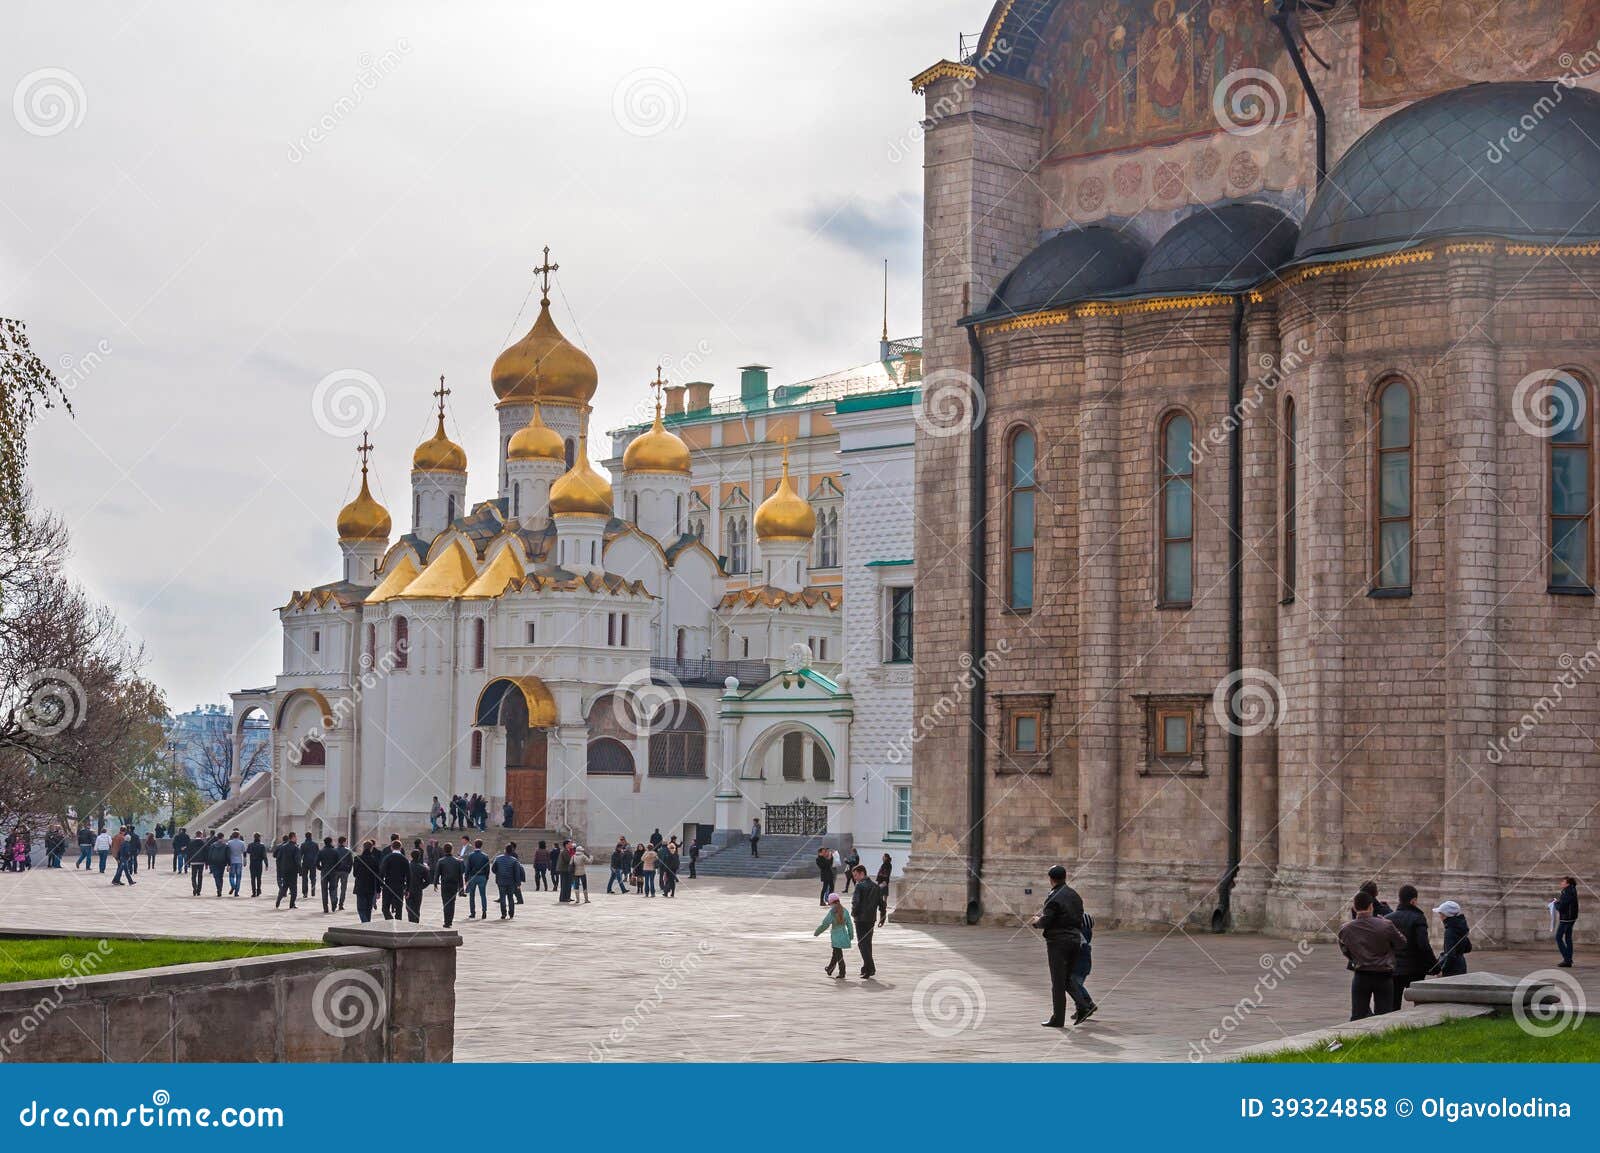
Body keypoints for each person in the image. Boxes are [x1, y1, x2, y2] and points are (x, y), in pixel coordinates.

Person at [1034, 864, 1095, 1027]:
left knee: (1058, 982)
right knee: (1068, 979)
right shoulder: (1075, 895)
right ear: (1064, 877)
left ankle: (1058, 1018)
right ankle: (1083, 1007)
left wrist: (1036, 922)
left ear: (1051, 879)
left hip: (1058, 942)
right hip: (1075, 940)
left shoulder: (1053, 896)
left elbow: (1047, 920)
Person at [1338, 890, 1408, 1020]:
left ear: (1354, 907)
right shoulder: (1386, 924)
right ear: (1371, 906)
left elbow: (1345, 950)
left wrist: (1355, 958)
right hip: (1383, 974)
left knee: (1358, 1014)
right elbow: (1402, 943)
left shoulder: (1346, 929)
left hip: (1361, 973)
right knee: (1383, 1014)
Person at [1385, 884, 1436, 1009]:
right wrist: (1435, 966)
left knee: (1393, 1004)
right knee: (1419, 1003)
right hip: (1415, 969)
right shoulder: (1418, 918)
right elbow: (1423, 945)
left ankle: (1390, 1026)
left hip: (1394, 968)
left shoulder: (1388, 919)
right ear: (1413, 900)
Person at [850, 865, 881, 978]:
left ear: (862, 873)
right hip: (871, 919)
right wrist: (882, 915)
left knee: (862, 944)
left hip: (861, 919)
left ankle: (870, 968)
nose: (855, 878)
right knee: (867, 943)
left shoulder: (859, 886)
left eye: (856, 875)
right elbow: (881, 903)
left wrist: (853, 913)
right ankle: (867, 967)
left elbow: (856, 902)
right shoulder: (875, 886)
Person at [814, 892, 855, 979]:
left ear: (832, 902)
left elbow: (825, 924)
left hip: (836, 936)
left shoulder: (832, 912)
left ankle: (842, 972)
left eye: (830, 903)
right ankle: (830, 969)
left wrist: (817, 932)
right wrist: (851, 935)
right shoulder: (845, 910)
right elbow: (850, 925)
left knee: (839, 955)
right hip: (844, 935)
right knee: (835, 953)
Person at [1429, 900, 1472, 978]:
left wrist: (1443, 970)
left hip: (1452, 969)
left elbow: (1450, 955)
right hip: (1461, 965)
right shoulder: (1461, 927)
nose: (1440, 916)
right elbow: (1468, 948)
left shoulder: (1450, 931)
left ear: (1445, 915)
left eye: (1440, 914)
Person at [435, 842, 465, 927]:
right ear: (452, 850)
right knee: (452, 903)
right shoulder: (457, 861)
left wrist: (435, 883)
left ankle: (446, 921)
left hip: (445, 884)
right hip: (454, 884)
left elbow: (437, 873)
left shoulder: (441, 861)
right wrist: (461, 887)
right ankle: (450, 921)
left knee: (445, 903)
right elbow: (460, 876)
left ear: (444, 850)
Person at [352, 840, 381, 923]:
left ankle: (365, 923)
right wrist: (378, 890)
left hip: (360, 886)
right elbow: (377, 876)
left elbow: (355, 874)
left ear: (363, 848)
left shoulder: (357, 859)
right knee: (368, 909)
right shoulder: (375, 860)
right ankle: (367, 924)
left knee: (361, 908)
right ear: (371, 848)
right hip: (371, 887)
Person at [1554, 875, 1579, 967]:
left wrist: (1556, 904)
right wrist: (1559, 902)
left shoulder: (1567, 891)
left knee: (1558, 937)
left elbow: (1562, 907)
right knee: (1568, 938)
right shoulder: (1572, 889)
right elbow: (1566, 903)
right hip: (1571, 917)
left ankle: (1567, 959)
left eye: (1563, 882)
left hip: (1566, 918)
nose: (1561, 883)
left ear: (1567, 884)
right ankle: (1568, 959)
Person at [380, 841, 410, 920]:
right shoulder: (404, 859)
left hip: (388, 884)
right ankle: (398, 925)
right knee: (399, 909)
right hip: (400, 886)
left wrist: (381, 885)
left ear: (391, 847)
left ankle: (390, 920)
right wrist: (407, 889)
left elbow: (382, 872)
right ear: (400, 848)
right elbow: (409, 875)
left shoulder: (387, 857)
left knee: (385, 908)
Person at [492, 844, 523, 919]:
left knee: (502, 897)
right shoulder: (514, 860)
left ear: (505, 850)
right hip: (511, 882)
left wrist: (498, 873)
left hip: (501, 881)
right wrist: (518, 883)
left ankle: (503, 914)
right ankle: (511, 913)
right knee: (510, 897)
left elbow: (493, 869)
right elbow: (517, 873)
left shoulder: (498, 858)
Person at [464, 839, 491, 919]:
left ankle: (473, 912)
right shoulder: (485, 856)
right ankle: (484, 911)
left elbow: (468, 868)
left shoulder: (471, 855)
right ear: (481, 845)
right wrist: (486, 877)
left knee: (472, 895)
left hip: (473, 877)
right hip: (482, 876)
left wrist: (466, 878)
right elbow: (487, 868)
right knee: (483, 895)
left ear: (475, 845)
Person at [404, 849, 430, 923]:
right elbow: (428, 881)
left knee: (409, 907)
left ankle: (411, 922)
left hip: (408, 890)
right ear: (419, 857)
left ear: (411, 856)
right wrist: (421, 886)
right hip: (418, 890)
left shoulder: (407, 866)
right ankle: (416, 922)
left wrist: (405, 887)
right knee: (416, 908)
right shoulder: (422, 867)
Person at [1076, 911, 1095, 1004]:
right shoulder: (1086, 942)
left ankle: (1088, 1004)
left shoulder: (1081, 940)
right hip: (1084, 965)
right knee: (1077, 985)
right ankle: (1081, 1006)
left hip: (1079, 965)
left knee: (1075, 985)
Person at [317, 837, 341, 913]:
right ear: (331, 842)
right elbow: (339, 862)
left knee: (324, 890)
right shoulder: (335, 851)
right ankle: (334, 902)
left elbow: (316, 862)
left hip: (324, 872)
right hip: (333, 872)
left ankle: (325, 907)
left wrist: (321, 868)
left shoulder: (321, 851)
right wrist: (336, 869)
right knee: (333, 888)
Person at [331, 836, 353, 910]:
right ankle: (341, 904)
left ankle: (334, 901)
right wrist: (348, 870)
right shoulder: (348, 851)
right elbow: (351, 862)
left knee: (334, 887)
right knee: (343, 889)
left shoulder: (334, 850)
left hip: (335, 871)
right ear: (344, 842)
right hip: (344, 871)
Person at [246, 833, 268, 897]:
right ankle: (258, 890)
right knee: (259, 878)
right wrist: (266, 864)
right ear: (259, 838)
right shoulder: (262, 845)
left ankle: (253, 892)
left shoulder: (250, 845)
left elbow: (248, 851)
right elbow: (264, 856)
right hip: (259, 863)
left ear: (254, 837)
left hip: (252, 863)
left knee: (252, 878)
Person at [225, 829, 246, 896]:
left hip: (231, 861)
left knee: (231, 876)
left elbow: (227, 853)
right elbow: (244, 852)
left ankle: (233, 886)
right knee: (238, 877)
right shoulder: (242, 843)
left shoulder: (229, 843)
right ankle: (236, 892)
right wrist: (245, 860)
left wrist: (227, 863)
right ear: (239, 836)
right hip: (239, 861)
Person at [298, 832, 318, 897]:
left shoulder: (303, 844)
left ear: (305, 837)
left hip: (305, 862)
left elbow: (300, 855)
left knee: (304, 878)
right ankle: (313, 891)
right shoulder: (315, 844)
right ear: (311, 836)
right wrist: (318, 863)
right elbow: (318, 854)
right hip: (313, 863)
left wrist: (299, 864)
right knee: (313, 878)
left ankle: (305, 893)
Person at [875, 854, 893, 926]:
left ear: (886, 857)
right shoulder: (884, 864)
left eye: (883, 857)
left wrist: (884, 880)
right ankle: (884, 904)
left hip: (884, 881)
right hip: (883, 881)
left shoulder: (888, 864)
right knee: (883, 893)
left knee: (883, 893)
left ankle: (884, 904)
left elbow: (886, 873)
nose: (882, 858)